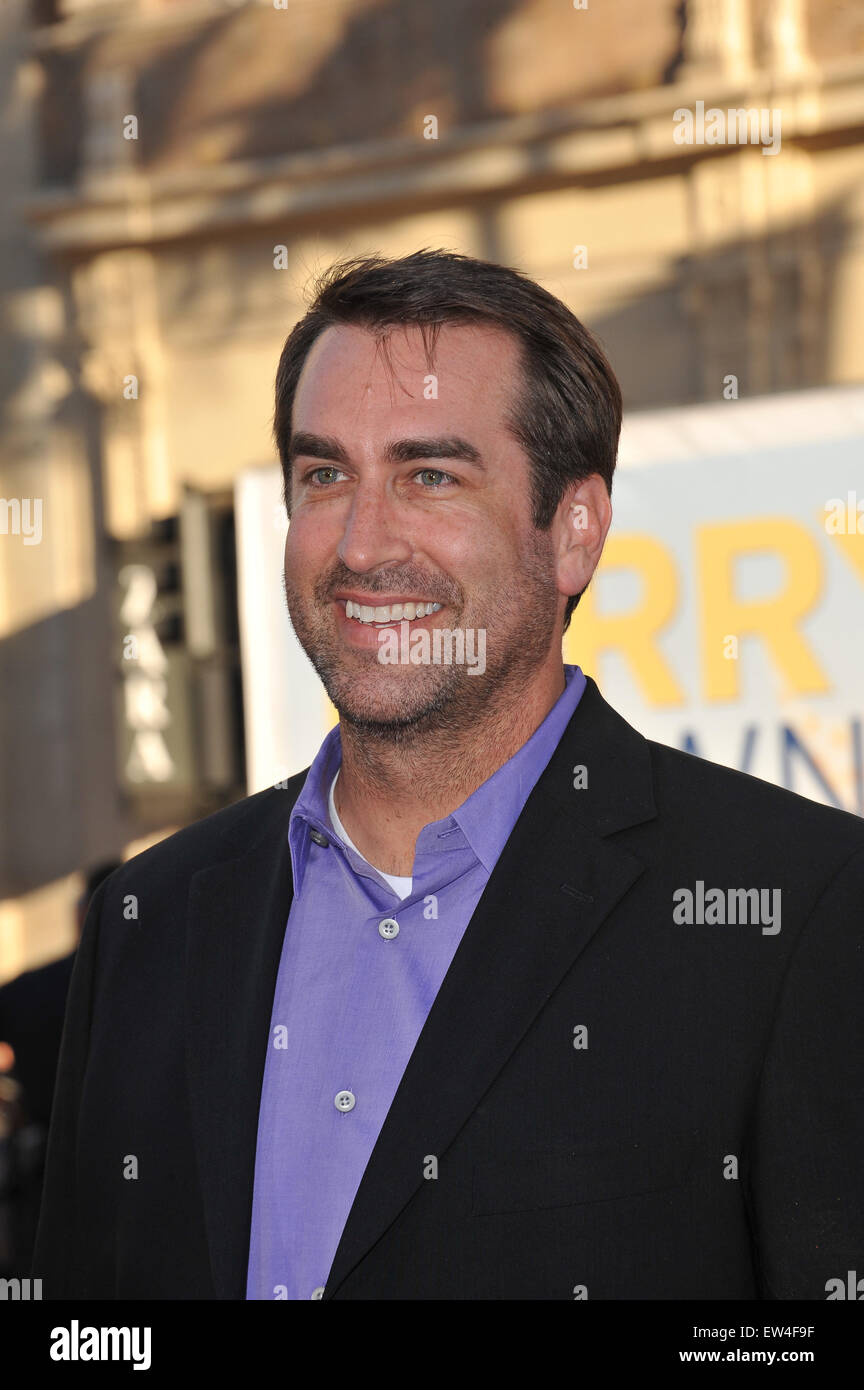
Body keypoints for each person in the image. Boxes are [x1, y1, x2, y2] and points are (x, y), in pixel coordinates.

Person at [33, 249, 864, 1300]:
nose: (362, 543)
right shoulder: (149, 922)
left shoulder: (800, 912)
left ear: (575, 531)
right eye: (324, 474)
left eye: (431, 476)